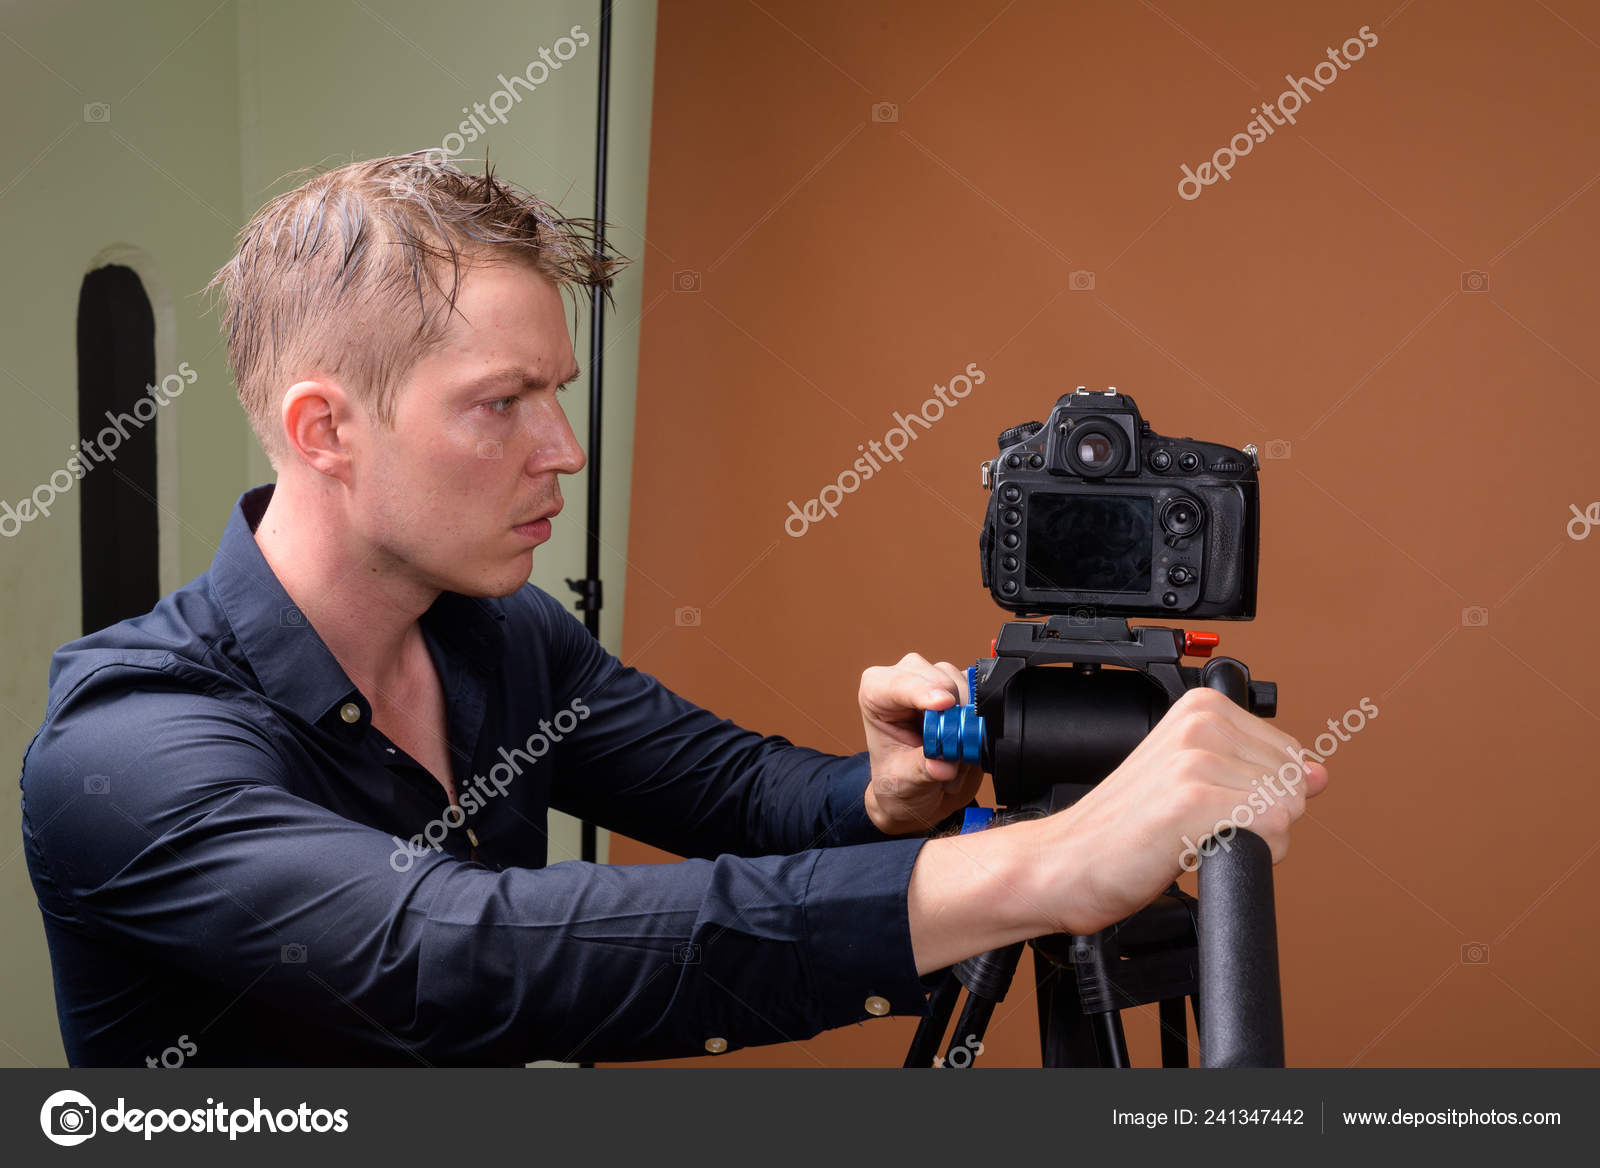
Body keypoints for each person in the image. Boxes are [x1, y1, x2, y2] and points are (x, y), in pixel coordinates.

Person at [19, 153, 1328, 1067]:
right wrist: (1038, 869)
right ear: (327, 430)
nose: (566, 451)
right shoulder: (126, 749)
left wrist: (884, 796)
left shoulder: (496, 635)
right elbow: (446, 954)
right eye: (502, 403)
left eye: (560, 392)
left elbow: (740, 795)